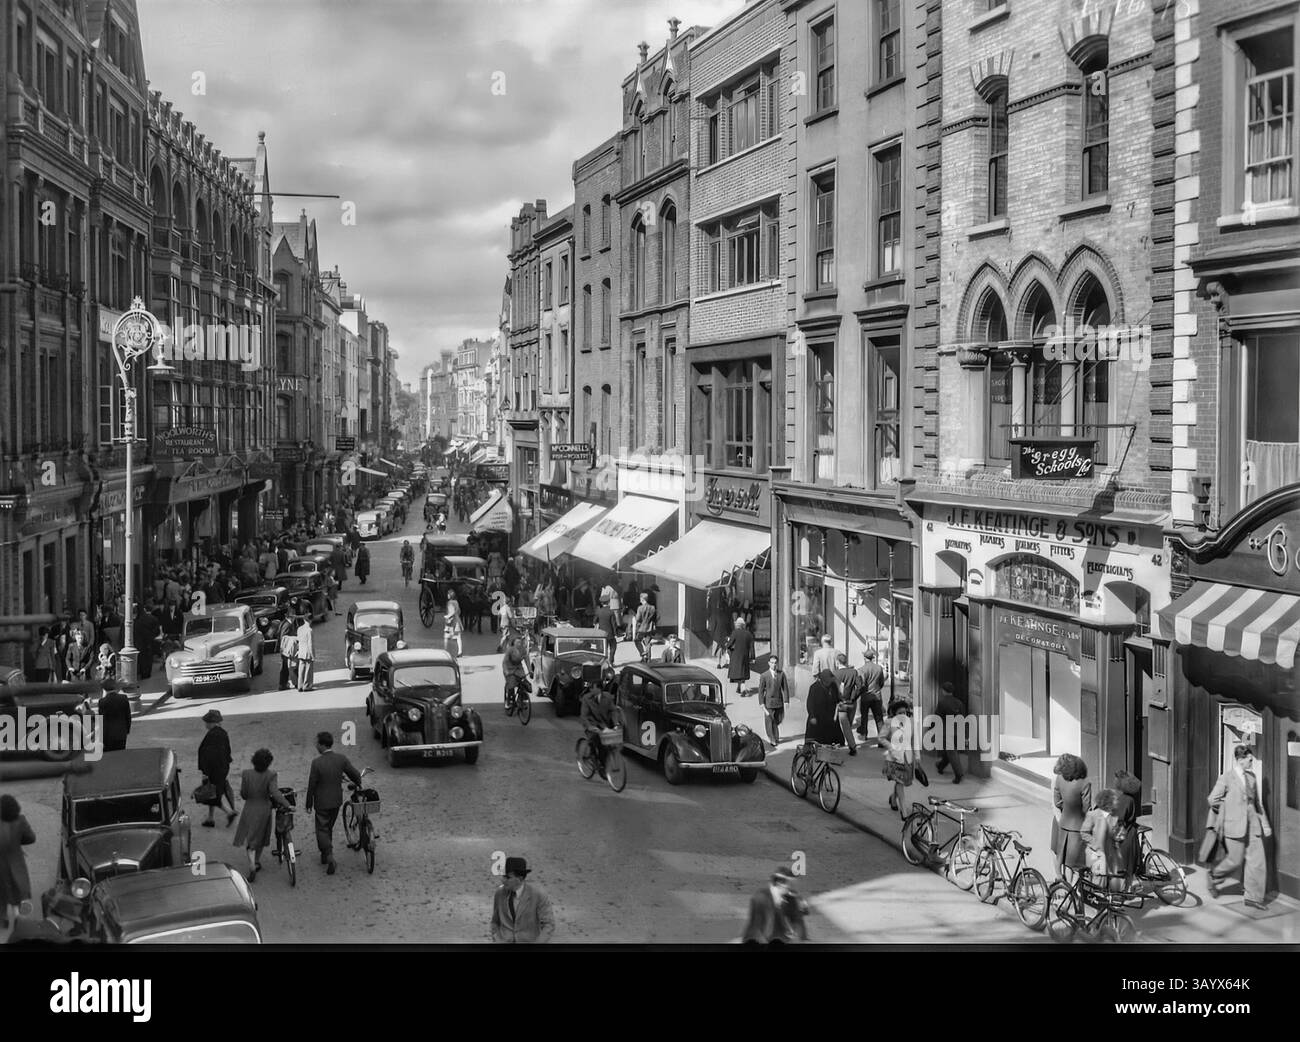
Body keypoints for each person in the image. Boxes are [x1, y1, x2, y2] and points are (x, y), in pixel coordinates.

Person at [1207, 744, 1272, 909]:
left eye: (1252, 759)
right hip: (1234, 824)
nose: (1251, 762)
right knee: (1234, 861)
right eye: (1249, 760)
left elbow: (1257, 803)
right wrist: (1228, 809)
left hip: (1252, 823)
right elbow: (1212, 799)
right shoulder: (1226, 778)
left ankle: (1253, 897)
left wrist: (1265, 825)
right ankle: (1214, 875)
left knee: (1257, 861)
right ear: (1240, 760)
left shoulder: (1252, 777)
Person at [304, 731, 362, 876]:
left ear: (322, 745)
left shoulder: (316, 763)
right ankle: (325, 854)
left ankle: (329, 856)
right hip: (336, 801)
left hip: (322, 802)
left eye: (317, 743)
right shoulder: (341, 759)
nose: (316, 746)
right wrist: (358, 783)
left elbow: (312, 784)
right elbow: (354, 774)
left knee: (322, 829)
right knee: (328, 827)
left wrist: (308, 802)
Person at [233, 748, 293, 882]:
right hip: (265, 809)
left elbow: (244, 794)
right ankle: (257, 861)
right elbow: (275, 792)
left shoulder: (246, 774)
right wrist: (288, 805)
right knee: (260, 836)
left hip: (250, 808)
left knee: (250, 838)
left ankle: (252, 864)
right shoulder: (271, 775)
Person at [490, 856, 555, 943]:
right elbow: (495, 922)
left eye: (507, 877)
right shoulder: (499, 893)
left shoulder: (538, 895)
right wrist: (497, 939)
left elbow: (548, 925)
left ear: (519, 879)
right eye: (503, 876)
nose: (502, 880)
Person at [741, 866, 809, 944]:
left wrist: (800, 908)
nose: (791, 887)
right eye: (790, 883)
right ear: (779, 882)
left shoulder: (790, 898)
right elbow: (758, 927)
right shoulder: (760, 897)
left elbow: (797, 919)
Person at [1052, 753, 1092, 881]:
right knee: (1075, 864)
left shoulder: (1059, 779)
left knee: (1065, 860)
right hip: (1078, 827)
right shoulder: (1085, 783)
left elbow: (1057, 801)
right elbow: (1087, 807)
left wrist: (1066, 808)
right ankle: (1074, 891)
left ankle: (1067, 889)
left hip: (1063, 824)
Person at [197, 709, 238, 828]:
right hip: (222, 768)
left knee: (212, 794)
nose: (205, 724)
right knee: (212, 792)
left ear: (212, 722)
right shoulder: (222, 733)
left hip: (214, 770)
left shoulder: (213, 735)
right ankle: (210, 818)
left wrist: (206, 772)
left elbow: (210, 756)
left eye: (207, 722)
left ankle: (230, 812)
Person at [0, 795, 36, 929]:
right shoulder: (20, 821)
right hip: (15, 862)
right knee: (16, 888)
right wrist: (17, 842)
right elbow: (31, 838)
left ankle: (2, 918)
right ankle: (17, 917)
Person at [879, 699, 915, 816]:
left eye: (904, 712)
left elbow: (914, 740)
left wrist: (917, 757)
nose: (903, 715)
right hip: (894, 758)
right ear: (894, 714)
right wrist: (892, 748)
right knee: (899, 782)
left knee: (901, 782)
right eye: (900, 713)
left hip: (907, 757)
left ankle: (893, 798)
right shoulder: (889, 723)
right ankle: (904, 810)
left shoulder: (910, 722)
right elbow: (881, 738)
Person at [579, 676, 622, 773]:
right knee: (598, 742)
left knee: (612, 742)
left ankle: (608, 760)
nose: (590, 689)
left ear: (599, 689)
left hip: (604, 725)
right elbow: (584, 715)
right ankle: (598, 762)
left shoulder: (607, 697)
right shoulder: (586, 698)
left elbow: (613, 711)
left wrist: (616, 723)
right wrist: (590, 727)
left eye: (592, 688)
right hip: (591, 725)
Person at [1080, 787, 1120, 881]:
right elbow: (1084, 833)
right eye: (1115, 800)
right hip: (1096, 853)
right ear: (1108, 802)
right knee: (1097, 882)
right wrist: (1095, 845)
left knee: (1110, 882)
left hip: (1110, 853)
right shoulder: (1093, 815)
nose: (1117, 802)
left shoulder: (1114, 816)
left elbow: (1117, 833)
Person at [933, 682, 967, 783]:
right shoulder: (959, 703)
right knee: (950, 751)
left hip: (946, 731)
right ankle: (941, 765)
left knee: (951, 752)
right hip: (958, 730)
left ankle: (958, 774)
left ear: (943, 691)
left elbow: (937, 717)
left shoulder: (942, 702)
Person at [1111, 768, 1142, 880]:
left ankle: (1122, 892)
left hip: (1125, 836)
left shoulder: (1123, 800)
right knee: (1129, 866)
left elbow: (1119, 821)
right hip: (1131, 834)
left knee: (1121, 866)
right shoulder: (1131, 798)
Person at [757, 654, 790, 750]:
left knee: (777, 719)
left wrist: (786, 700)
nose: (774, 665)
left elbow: (785, 688)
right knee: (769, 720)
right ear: (768, 663)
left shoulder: (781, 674)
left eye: (775, 663)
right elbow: (761, 691)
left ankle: (775, 736)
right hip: (768, 702)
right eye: (772, 663)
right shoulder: (764, 675)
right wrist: (761, 703)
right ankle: (772, 738)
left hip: (778, 701)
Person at [805, 668, 843, 747]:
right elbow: (810, 703)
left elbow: (837, 697)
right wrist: (812, 716)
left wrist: (840, 702)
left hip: (830, 717)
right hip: (817, 717)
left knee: (829, 740)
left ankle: (827, 754)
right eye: (827, 682)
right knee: (816, 740)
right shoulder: (814, 687)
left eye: (830, 681)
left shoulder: (833, 686)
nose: (829, 683)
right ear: (822, 680)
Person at [855, 649, 887, 740]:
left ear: (865, 658)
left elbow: (861, 685)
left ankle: (864, 735)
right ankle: (882, 739)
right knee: (879, 718)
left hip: (865, 696)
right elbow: (881, 682)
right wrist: (877, 689)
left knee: (864, 717)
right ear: (872, 658)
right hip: (877, 696)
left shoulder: (861, 669)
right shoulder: (879, 668)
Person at [831, 652, 859, 754]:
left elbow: (832, 690)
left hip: (841, 703)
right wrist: (854, 697)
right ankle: (845, 741)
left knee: (845, 726)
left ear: (838, 662)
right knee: (848, 725)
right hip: (852, 703)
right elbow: (860, 687)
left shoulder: (835, 673)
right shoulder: (853, 672)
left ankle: (852, 747)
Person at [98, 680, 132, 753]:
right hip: (121, 733)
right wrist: (127, 730)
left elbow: (102, 722)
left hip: (108, 736)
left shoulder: (102, 702)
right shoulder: (123, 698)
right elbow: (128, 716)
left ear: (104, 689)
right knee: (120, 754)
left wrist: (101, 739)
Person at [725, 617, 755, 697]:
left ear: (737, 625)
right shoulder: (749, 634)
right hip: (745, 656)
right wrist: (753, 657)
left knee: (739, 672)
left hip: (736, 656)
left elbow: (729, 644)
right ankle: (739, 688)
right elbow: (752, 647)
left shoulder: (735, 633)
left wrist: (728, 646)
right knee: (742, 672)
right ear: (743, 625)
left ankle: (743, 690)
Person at [502, 635, 531, 709]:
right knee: (511, 684)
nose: (519, 644)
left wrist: (530, 670)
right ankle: (509, 701)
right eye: (517, 642)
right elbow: (505, 662)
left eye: (520, 642)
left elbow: (527, 660)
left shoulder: (523, 650)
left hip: (518, 668)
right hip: (509, 668)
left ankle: (522, 700)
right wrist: (506, 671)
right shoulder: (510, 650)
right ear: (514, 643)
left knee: (524, 683)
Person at [634, 591, 658, 662]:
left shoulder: (640, 608)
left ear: (642, 599)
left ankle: (643, 654)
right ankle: (648, 658)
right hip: (650, 627)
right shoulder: (653, 608)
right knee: (647, 643)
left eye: (640, 599)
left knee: (637, 640)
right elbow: (655, 618)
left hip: (641, 628)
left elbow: (638, 619)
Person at [593, 595, 618, 661]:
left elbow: (594, 621)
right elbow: (614, 624)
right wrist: (616, 634)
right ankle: (611, 660)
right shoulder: (611, 612)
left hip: (601, 633)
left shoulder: (598, 611)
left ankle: (604, 660)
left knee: (604, 648)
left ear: (601, 603)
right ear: (608, 602)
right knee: (613, 647)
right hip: (610, 633)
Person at [278, 614, 299, 690]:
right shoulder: (287, 625)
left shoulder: (285, 623)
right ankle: (287, 684)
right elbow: (284, 637)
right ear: (291, 617)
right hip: (287, 649)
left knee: (285, 667)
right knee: (290, 666)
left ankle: (283, 684)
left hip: (285, 649)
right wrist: (295, 638)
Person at [296, 614, 316, 691]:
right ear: (310, 620)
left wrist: (298, 651)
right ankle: (307, 686)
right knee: (308, 670)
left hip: (301, 651)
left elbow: (298, 640)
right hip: (307, 652)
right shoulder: (309, 630)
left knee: (301, 670)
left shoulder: (299, 629)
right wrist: (313, 655)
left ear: (304, 620)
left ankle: (300, 686)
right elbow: (310, 644)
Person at [444, 589, 464, 658]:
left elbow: (451, 612)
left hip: (451, 622)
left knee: (447, 637)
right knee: (458, 637)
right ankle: (460, 651)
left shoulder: (450, 603)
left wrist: (447, 616)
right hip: (457, 620)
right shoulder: (456, 602)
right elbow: (459, 611)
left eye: (448, 594)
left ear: (450, 595)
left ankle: (446, 652)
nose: (447, 595)